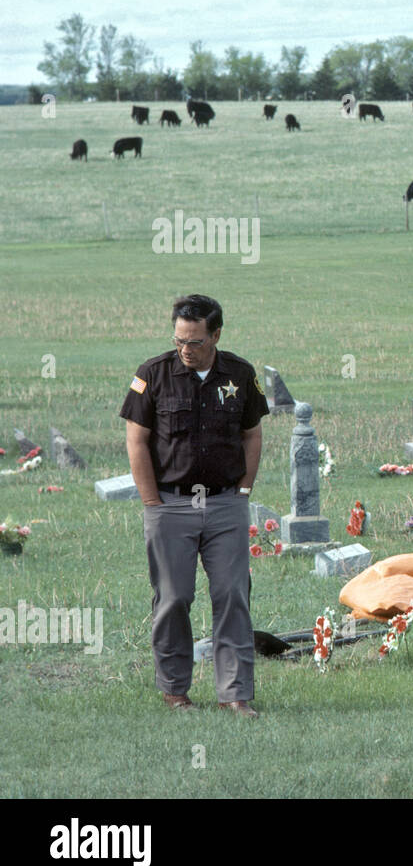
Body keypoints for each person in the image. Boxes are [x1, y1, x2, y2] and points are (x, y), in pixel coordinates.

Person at [120, 295, 268, 715]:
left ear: (216, 335)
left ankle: (234, 695)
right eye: (179, 339)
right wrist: (152, 502)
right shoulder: (153, 374)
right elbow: (137, 440)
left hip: (225, 504)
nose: (186, 349)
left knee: (232, 595)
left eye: (195, 341)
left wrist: (242, 492)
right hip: (170, 504)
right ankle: (175, 692)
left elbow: (252, 434)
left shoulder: (239, 375)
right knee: (173, 597)